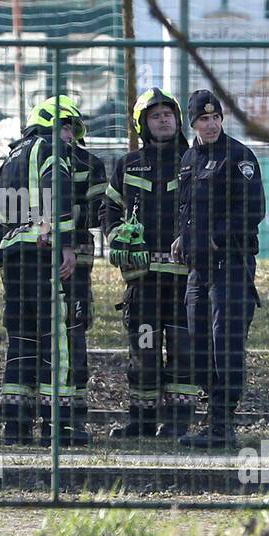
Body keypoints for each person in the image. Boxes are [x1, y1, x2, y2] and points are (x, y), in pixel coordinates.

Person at [101, 87, 199, 439]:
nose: (163, 121)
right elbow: (109, 208)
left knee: (183, 352)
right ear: (143, 123)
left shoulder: (193, 159)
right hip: (142, 281)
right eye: (155, 116)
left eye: (168, 115)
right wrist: (116, 237)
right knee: (142, 351)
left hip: (184, 280)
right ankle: (140, 421)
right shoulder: (127, 164)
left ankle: (177, 423)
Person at [0, 96, 87, 447]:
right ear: (49, 122)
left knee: (21, 341)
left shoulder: (11, 158)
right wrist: (65, 242)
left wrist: (3, 263)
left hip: (13, 258)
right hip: (42, 253)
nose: (70, 138)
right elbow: (55, 191)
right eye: (66, 127)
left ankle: (15, 426)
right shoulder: (49, 148)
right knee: (56, 341)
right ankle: (57, 426)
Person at [175, 89, 265, 449]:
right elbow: (185, 209)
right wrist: (182, 237)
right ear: (193, 123)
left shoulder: (239, 157)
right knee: (197, 344)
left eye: (216, 119)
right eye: (203, 120)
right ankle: (212, 414)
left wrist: (217, 239)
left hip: (230, 264)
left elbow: (253, 210)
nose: (210, 125)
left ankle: (222, 422)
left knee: (224, 342)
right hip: (198, 270)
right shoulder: (188, 159)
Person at [65, 116, 108, 440]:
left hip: (77, 264)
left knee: (75, 333)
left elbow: (96, 211)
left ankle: (75, 413)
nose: (65, 133)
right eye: (59, 127)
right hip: (37, 262)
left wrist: (58, 217)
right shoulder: (31, 158)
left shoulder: (89, 163)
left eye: (70, 127)